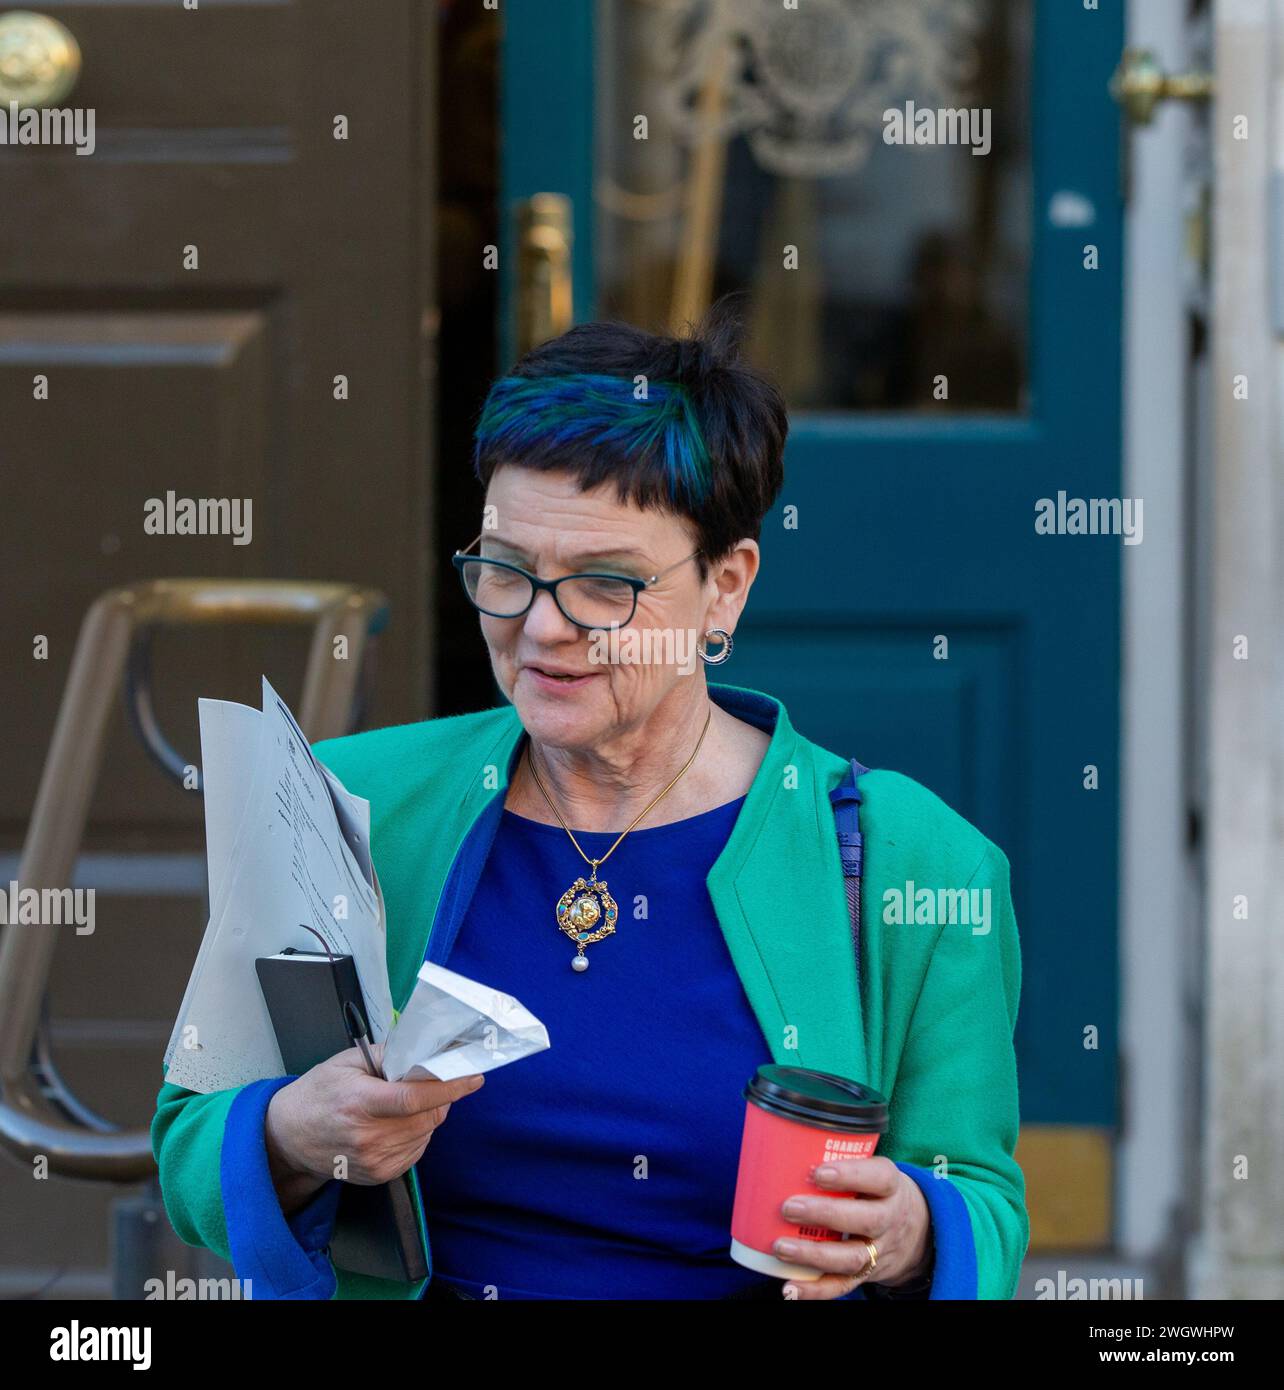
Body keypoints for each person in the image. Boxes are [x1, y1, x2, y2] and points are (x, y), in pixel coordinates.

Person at [152, 295, 1028, 1300]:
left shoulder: (914, 863)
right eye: (508, 571)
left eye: (605, 584)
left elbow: (984, 1211)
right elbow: (187, 1135)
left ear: (726, 586)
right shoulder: (345, 799)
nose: (541, 629)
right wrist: (289, 1134)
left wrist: (913, 1228)